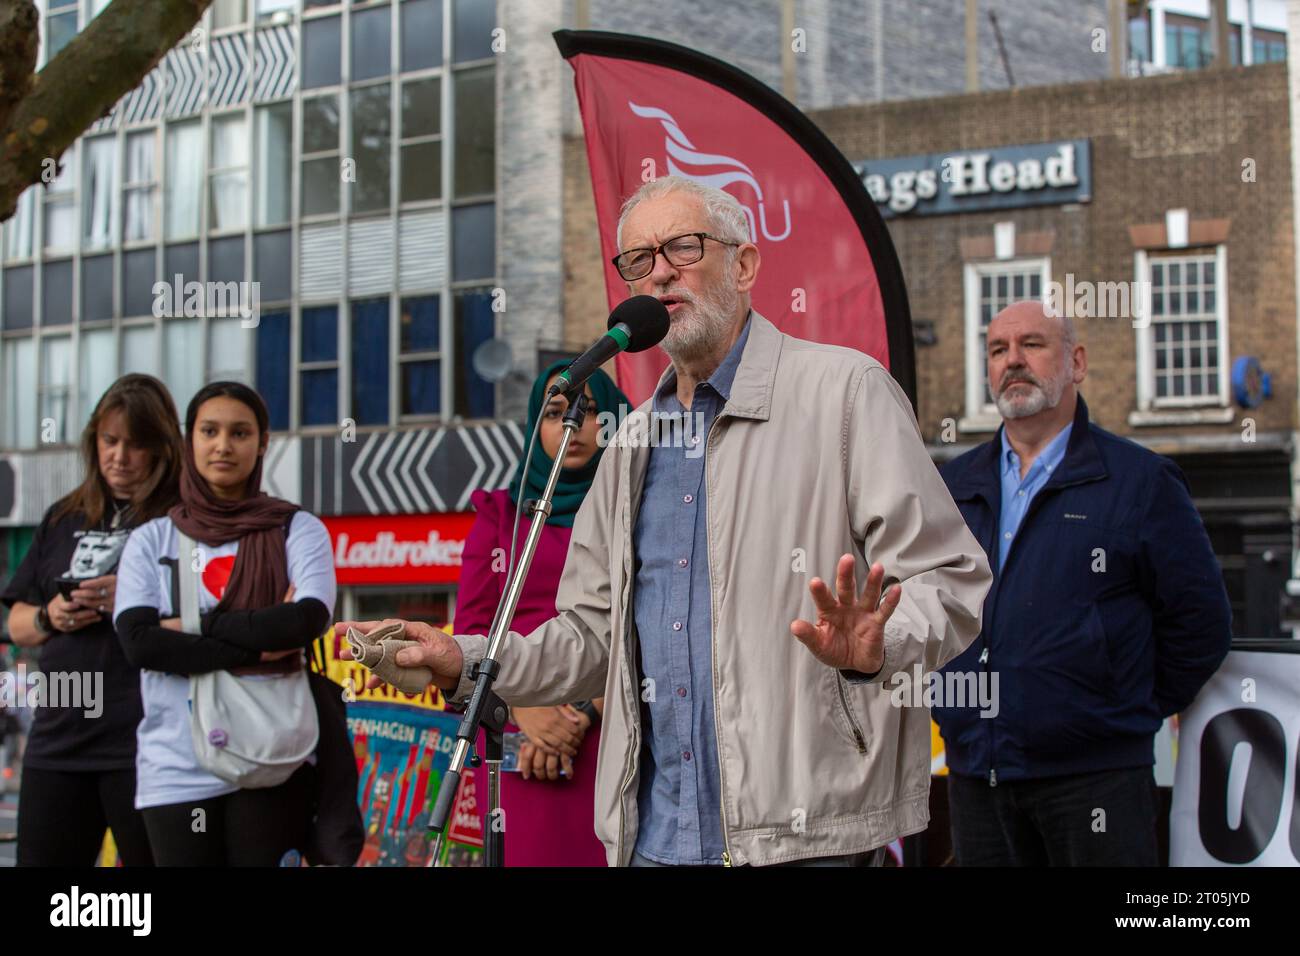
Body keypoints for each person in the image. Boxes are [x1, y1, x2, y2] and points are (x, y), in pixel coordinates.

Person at [342, 175, 992, 867]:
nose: (659, 272)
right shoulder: (628, 448)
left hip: (808, 838)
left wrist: (880, 644)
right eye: (638, 261)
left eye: (683, 247)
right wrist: (464, 661)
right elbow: (589, 639)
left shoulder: (846, 393)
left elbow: (950, 580)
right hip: (653, 838)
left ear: (743, 265)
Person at [934, 299, 1232, 866]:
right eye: (998, 349)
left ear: (1076, 362)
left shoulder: (1141, 482)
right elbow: (928, 610)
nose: (1012, 361)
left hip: (1096, 783)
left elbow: (1202, 624)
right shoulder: (953, 484)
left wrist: (1118, 706)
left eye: (1032, 345)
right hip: (977, 773)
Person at [113, 381, 337, 866]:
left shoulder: (296, 529)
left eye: (240, 433)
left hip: (271, 754)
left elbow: (306, 619)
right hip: (174, 764)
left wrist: (189, 629)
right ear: (188, 439)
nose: (223, 445)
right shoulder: (151, 540)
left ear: (262, 443)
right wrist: (258, 644)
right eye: (209, 430)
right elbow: (139, 645)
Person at [1, 373, 183, 866]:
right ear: (93, 441)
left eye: (135, 444)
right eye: (109, 441)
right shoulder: (65, 516)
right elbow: (16, 622)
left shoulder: (183, 519)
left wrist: (131, 599)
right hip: (57, 738)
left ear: (162, 448)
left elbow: (212, 620)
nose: (119, 457)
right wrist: (50, 614)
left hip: (146, 741)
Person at [456, 360, 629, 866]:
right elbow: (469, 629)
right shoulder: (501, 517)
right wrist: (522, 709)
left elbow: (656, 623)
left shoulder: (639, 507)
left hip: (617, 728)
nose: (571, 424)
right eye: (555, 413)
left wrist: (580, 712)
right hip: (515, 734)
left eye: (589, 410)